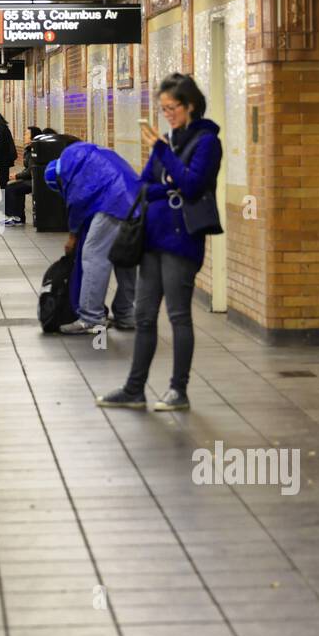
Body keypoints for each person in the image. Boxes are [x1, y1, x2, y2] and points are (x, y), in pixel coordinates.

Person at [97, 73, 222, 412]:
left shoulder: (206, 142)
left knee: (179, 315)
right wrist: (169, 184)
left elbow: (194, 185)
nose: (167, 114)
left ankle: (177, 391)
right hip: (151, 238)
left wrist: (165, 159)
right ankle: (134, 388)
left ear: (190, 105)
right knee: (145, 315)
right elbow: (143, 185)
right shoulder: (167, 141)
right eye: (163, 108)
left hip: (182, 240)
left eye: (172, 108)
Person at [42, 141, 139, 335]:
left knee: (94, 256)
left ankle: (91, 318)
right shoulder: (81, 153)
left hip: (113, 203)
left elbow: (76, 202)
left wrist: (73, 235)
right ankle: (126, 314)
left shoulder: (69, 169)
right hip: (137, 198)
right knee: (125, 259)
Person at [0, 126, 42, 226]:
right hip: (32, 179)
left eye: (27, 134)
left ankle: (16, 217)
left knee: (11, 188)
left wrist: (17, 176)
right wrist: (18, 175)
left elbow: (31, 170)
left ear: (33, 136)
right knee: (13, 187)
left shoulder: (34, 150)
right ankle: (17, 217)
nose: (24, 136)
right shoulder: (29, 149)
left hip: (36, 181)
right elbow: (29, 169)